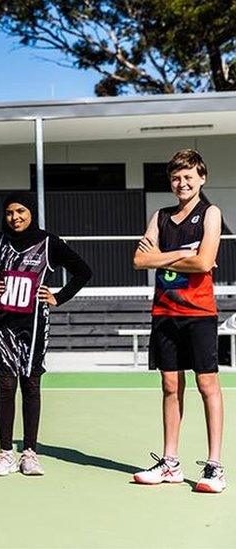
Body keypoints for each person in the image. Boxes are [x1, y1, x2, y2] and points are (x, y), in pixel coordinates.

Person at [0, 192, 90, 477]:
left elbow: (83, 271)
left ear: (31, 212)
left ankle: (29, 452)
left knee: (31, 385)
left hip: (33, 326)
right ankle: (5, 452)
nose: (15, 217)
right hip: (2, 325)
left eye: (20, 211)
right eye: (9, 213)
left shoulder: (48, 242)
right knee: (6, 387)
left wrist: (59, 297)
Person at [131, 149, 226, 493]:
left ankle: (215, 467)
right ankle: (170, 463)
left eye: (188, 176)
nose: (182, 183)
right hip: (165, 314)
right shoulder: (159, 217)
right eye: (176, 177)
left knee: (207, 386)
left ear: (201, 178)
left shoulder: (210, 213)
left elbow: (204, 264)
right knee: (170, 387)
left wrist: (162, 258)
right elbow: (139, 260)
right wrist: (182, 254)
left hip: (199, 314)